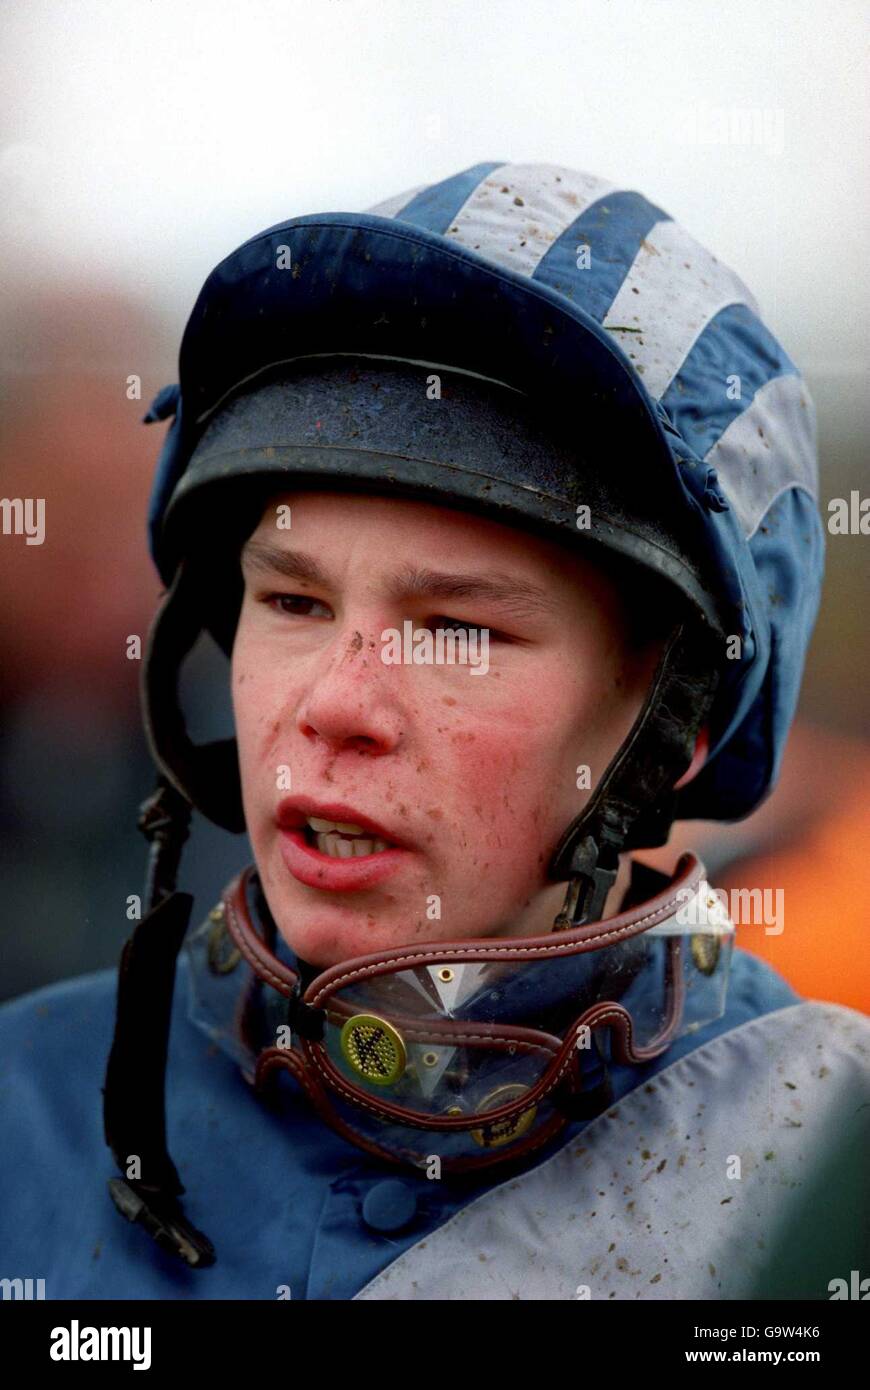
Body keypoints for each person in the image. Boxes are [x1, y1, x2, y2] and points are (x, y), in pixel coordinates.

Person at [1, 161, 867, 1302]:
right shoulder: (23, 1107)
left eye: (457, 629)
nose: (335, 706)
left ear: (677, 733)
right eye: (296, 603)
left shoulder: (822, 1182)